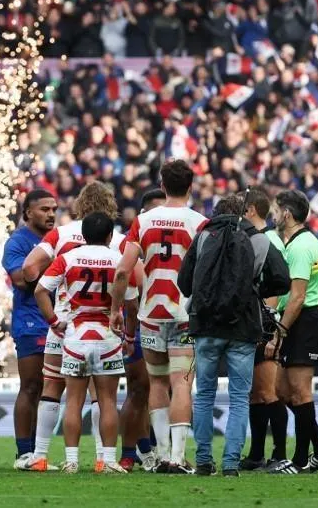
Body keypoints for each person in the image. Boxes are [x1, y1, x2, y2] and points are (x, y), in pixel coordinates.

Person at [19, 183, 132, 471]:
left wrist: (58, 301)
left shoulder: (62, 234)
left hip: (65, 325)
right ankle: (102, 459)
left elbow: (30, 269)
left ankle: (41, 456)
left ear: (80, 206)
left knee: (54, 387)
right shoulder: (118, 242)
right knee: (102, 396)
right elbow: (136, 282)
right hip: (105, 329)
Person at [177, 194, 291, 477]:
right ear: (244, 213)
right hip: (243, 326)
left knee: (204, 394)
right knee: (239, 397)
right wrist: (254, 292)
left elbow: (184, 282)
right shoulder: (260, 240)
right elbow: (282, 280)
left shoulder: (204, 236)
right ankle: (230, 464)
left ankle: (203, 461)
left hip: (205, 326)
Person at [112, 159, 207, 474]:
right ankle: (178, 458)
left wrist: (115, 309)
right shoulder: (200, 224)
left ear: (163, 185)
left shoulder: (144, 221)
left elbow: (124, 270)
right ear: (190, 187)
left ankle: (161, 455)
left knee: (156, 382)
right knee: (181, 382)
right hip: (183, 314)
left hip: (151, 313)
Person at [267, 190, 318, 474]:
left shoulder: (299, 247)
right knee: (283, 390)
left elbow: (297, 297)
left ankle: (299, 461)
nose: (273, 215)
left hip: (302, 320)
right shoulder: (301, 242)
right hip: (297, 319)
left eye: (276, 210)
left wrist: (280, 330)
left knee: (300, 392)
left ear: (287, 214)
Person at [1, 189, 57, 469]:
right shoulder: (18, 242)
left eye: (54, 209)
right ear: (28, 214)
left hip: (58, 321)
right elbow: (21, 280)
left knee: (51, 388)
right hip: (31, 321)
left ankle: (39, 452)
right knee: (32, 385)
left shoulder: (58, 239)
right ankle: (23, 452)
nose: (51, 214)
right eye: (44, 209)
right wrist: (55, 269)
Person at [240, 188, 291, 470]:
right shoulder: (258, 238)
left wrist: (270, 326)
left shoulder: (267, 240)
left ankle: (280, 454)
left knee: (267, 392)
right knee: (256, 393)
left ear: (251, 211)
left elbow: (277, 284)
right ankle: (258, 453)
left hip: (265, 324)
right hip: (256, 322)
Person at [117, 189, 165, 471]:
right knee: (139, 389)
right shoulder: (130, 246)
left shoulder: (169, 243)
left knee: (156, 390)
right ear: (145, 215)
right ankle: (129, 453)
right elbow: (131, 292)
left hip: (164, 323)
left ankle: (149, 449)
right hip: (136, 326)